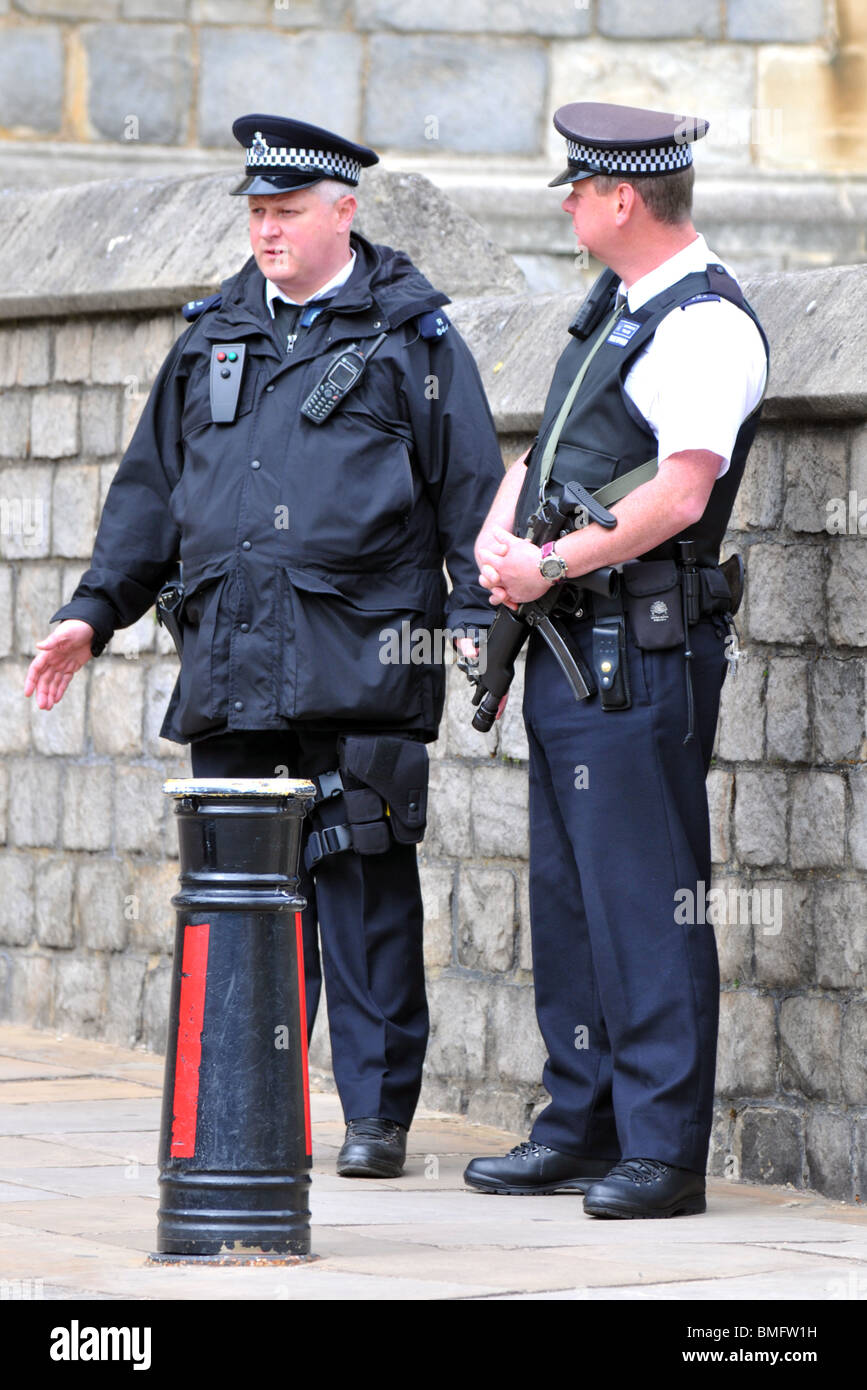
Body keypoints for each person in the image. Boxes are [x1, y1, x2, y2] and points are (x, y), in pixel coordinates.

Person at [25, 114, 504, 1180]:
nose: (268, 231)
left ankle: (377, 1120)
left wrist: (477, 623)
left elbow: (472, 494)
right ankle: (253, 1105)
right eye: (256, 214)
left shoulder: (416, 343)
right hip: (236, 668)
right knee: (246, 906)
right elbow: (151, 495)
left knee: (365, 896)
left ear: (345, 211)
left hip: (365, 667)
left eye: (287, 212)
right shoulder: (211, 338)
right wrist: (93, 611)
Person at [464, 102, 769, 1217]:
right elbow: (550, 446)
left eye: (579, 189)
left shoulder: (705, 325)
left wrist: (548, 564)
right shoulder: (619, 308)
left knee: (648, 900)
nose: (568, 203)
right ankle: (581, 1126)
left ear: (624, 200)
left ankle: (660, 1153)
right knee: (573, 899)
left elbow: (682, 493)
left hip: (637, 646)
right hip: (571, 641)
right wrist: (503, 545)